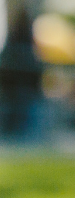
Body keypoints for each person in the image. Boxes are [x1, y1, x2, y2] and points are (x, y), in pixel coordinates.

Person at [0, 10, 44, 139]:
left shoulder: (16, 47)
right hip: (18, 89)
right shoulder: (23, 47)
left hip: (18, 89)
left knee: (20, 115)